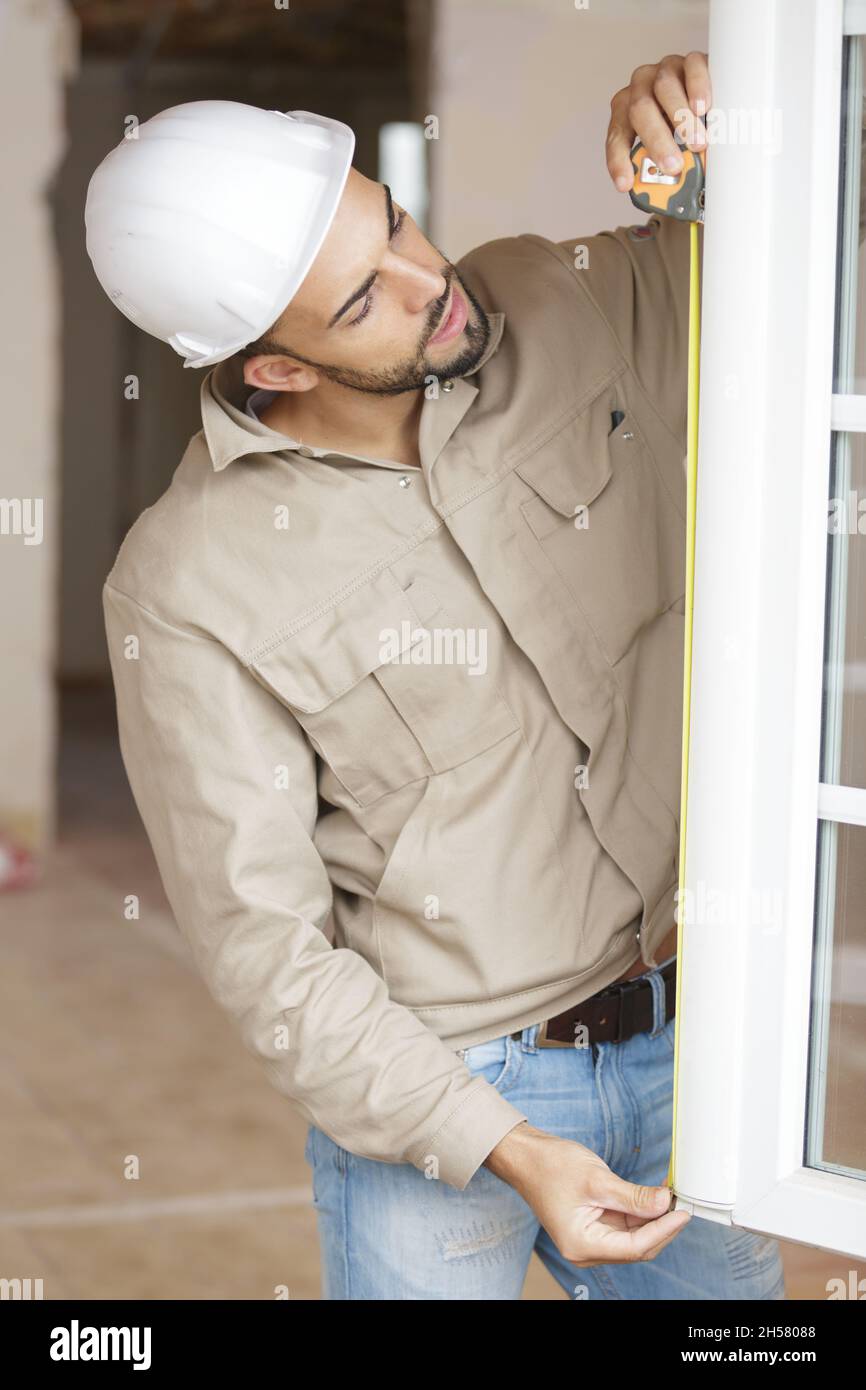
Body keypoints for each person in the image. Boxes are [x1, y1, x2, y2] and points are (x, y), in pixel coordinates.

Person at [86, 51, 785, 1300]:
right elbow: (268, 950)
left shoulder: (560, 302)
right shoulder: (186, 584)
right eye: (363, 303)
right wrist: (505, 1147)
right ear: (273, 368)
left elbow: (813, 266)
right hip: (447, 1100)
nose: (432, 284)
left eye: (396, 224)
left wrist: (712, 137)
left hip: (697, 1040)